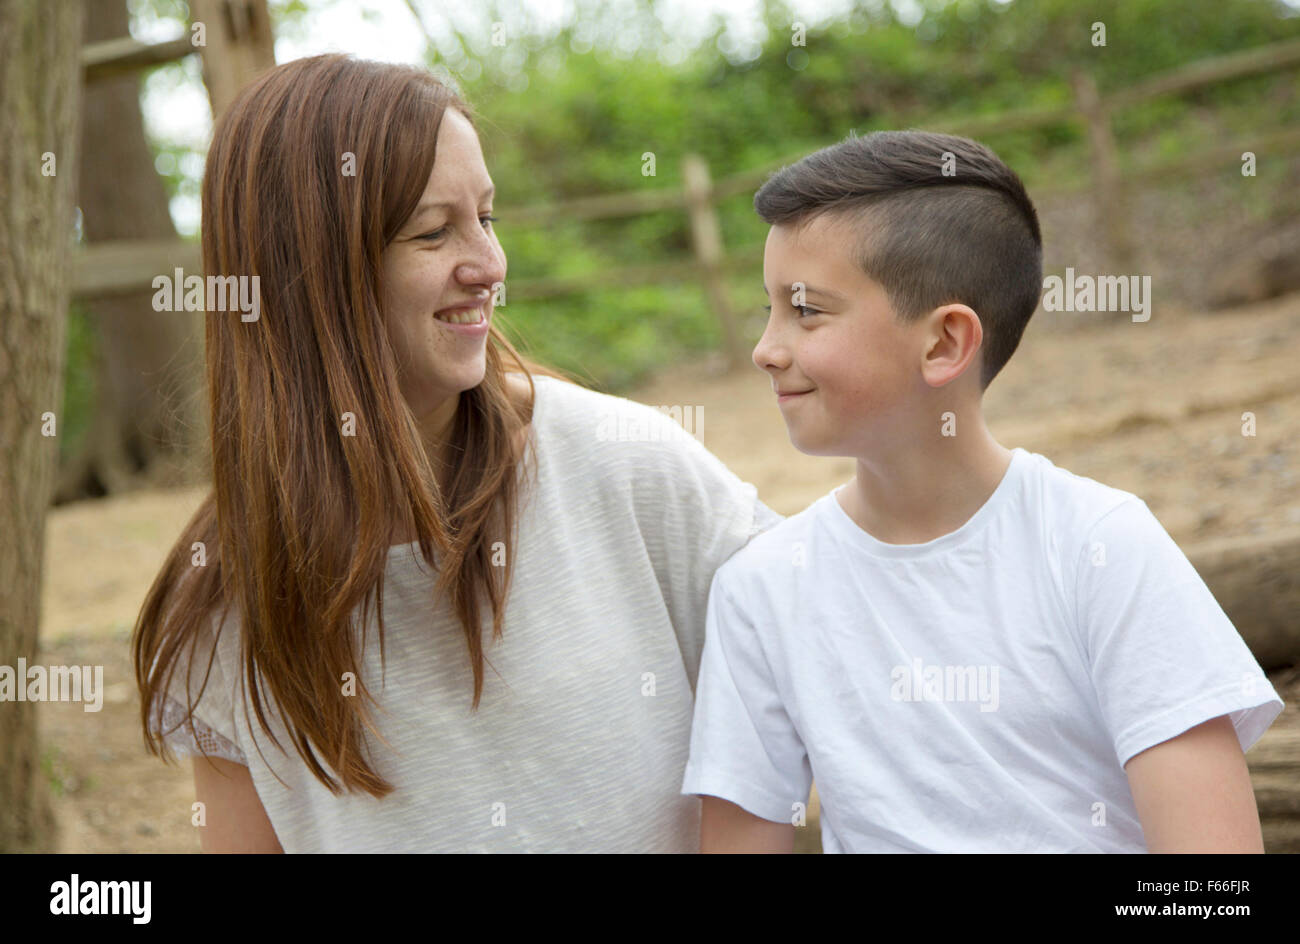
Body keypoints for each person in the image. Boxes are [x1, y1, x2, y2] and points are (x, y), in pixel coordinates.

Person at [131, 54, 781, 853]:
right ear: (312, 279)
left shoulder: (622, 467)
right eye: (434, 232)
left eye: (487, 218)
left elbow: (800, 688)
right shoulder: (224, 607)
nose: (490, 267)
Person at [680, 130, 1284, 853]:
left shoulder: (1101, 546)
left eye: (806, 310)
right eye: (769, 308)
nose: (765, 347)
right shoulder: (763, 590)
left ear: (943, 344)